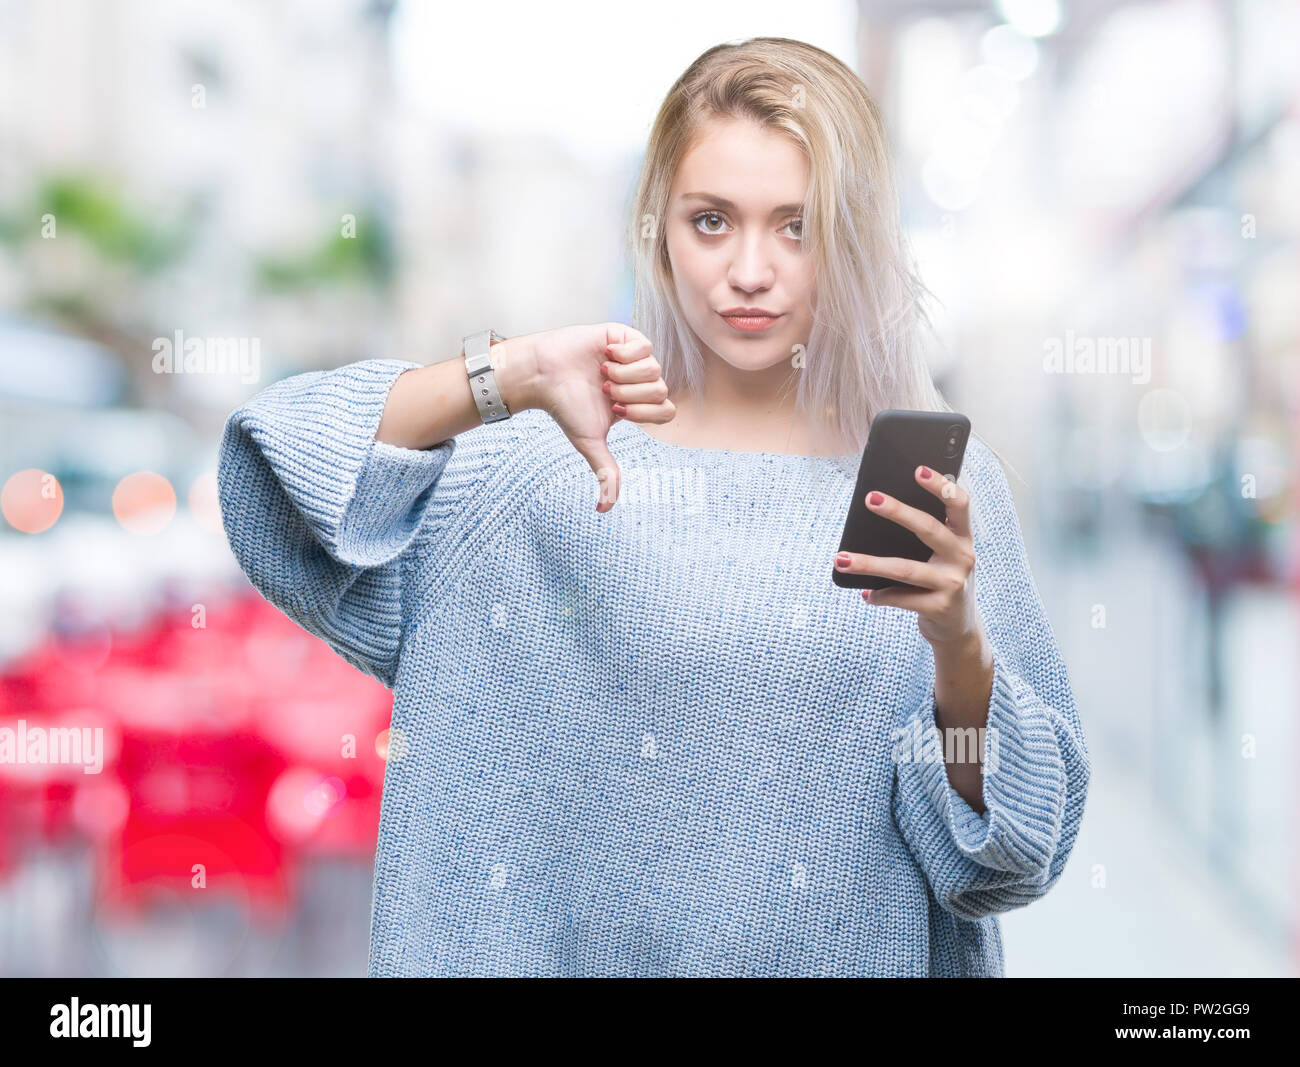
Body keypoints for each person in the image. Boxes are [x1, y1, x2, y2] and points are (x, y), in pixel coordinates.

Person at [217, 36, 1090, 977]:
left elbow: (1006, 855)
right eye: (711, 221)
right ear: (658, 229)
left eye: (797, 226)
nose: (750, 270)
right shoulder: (541, 472)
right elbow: (280, 479)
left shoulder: (932, 494)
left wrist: (960, 646)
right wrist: (505, 372)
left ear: (855, 235)